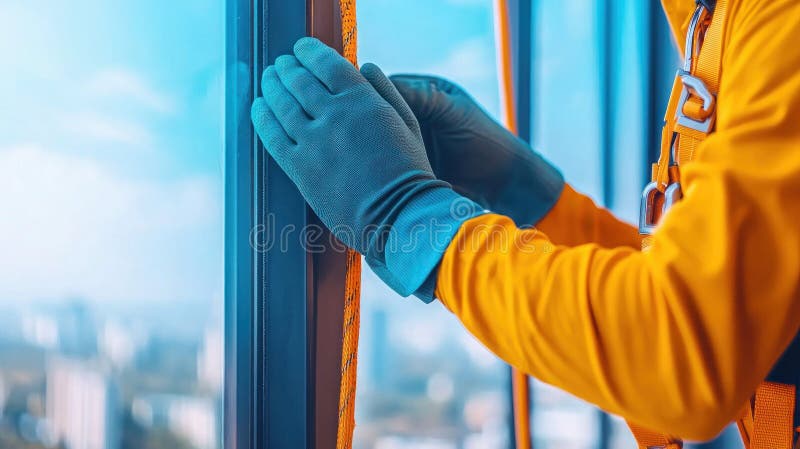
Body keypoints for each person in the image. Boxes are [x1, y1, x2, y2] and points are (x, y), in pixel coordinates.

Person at [249, 0, 800, 440]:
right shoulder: (725, 20)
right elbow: (732, 300)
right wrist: (534, 201)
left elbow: (683, 351)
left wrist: (413, 221)